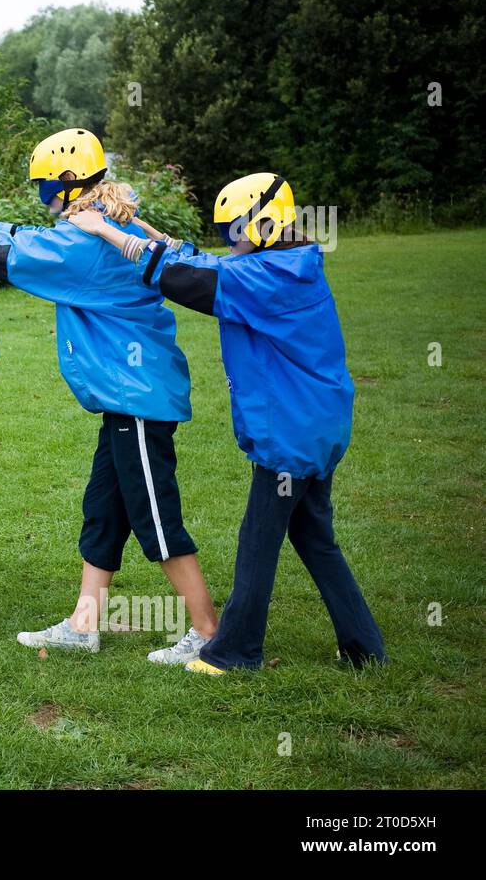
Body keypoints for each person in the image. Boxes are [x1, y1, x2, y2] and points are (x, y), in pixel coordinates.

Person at [0, 128, 219, 664]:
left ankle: (208, 632)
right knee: (103, 513)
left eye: (45, 187)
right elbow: (25, 240)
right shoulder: (104, 223)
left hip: (137, 398)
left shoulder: (82, 242)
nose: (42, 197)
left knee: (156, 518)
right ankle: (83, 624)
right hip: (126, 397)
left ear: (67, 184)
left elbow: (12, 260)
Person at [69, 172, 387, 673]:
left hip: (292, 436)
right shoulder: (286, 262)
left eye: (234, 229)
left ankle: (234, 651)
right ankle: (365, 649)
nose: (229, 240)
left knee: (258, 542)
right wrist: (145, 228)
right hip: (315, 426)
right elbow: (201, 262)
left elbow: (188, 279)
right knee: (314, 538)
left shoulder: (267, 277)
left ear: (262, 223)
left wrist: (108, 232)